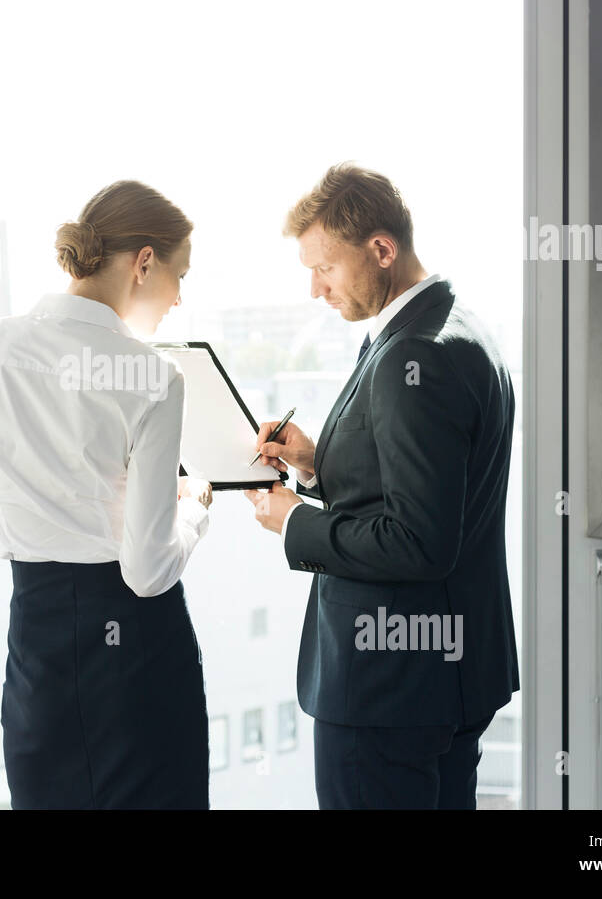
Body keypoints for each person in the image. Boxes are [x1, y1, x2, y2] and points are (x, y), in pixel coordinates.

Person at [244, 163, 519, 809]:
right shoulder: (459, 327)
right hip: (447, 678)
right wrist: (316, 463)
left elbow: (418, 542)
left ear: (382, 250)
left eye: (326, 268)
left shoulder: (407, 357)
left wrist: (292, 521)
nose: (316, 290)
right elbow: (426, 489)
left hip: (386, 690)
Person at [0, 180, 214, 809]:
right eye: (180, 274)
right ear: (144, 262)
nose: (180, 297)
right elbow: (148, 570)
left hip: (38, 648)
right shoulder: (154, 376)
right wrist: (196, 507)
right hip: (135, 652)